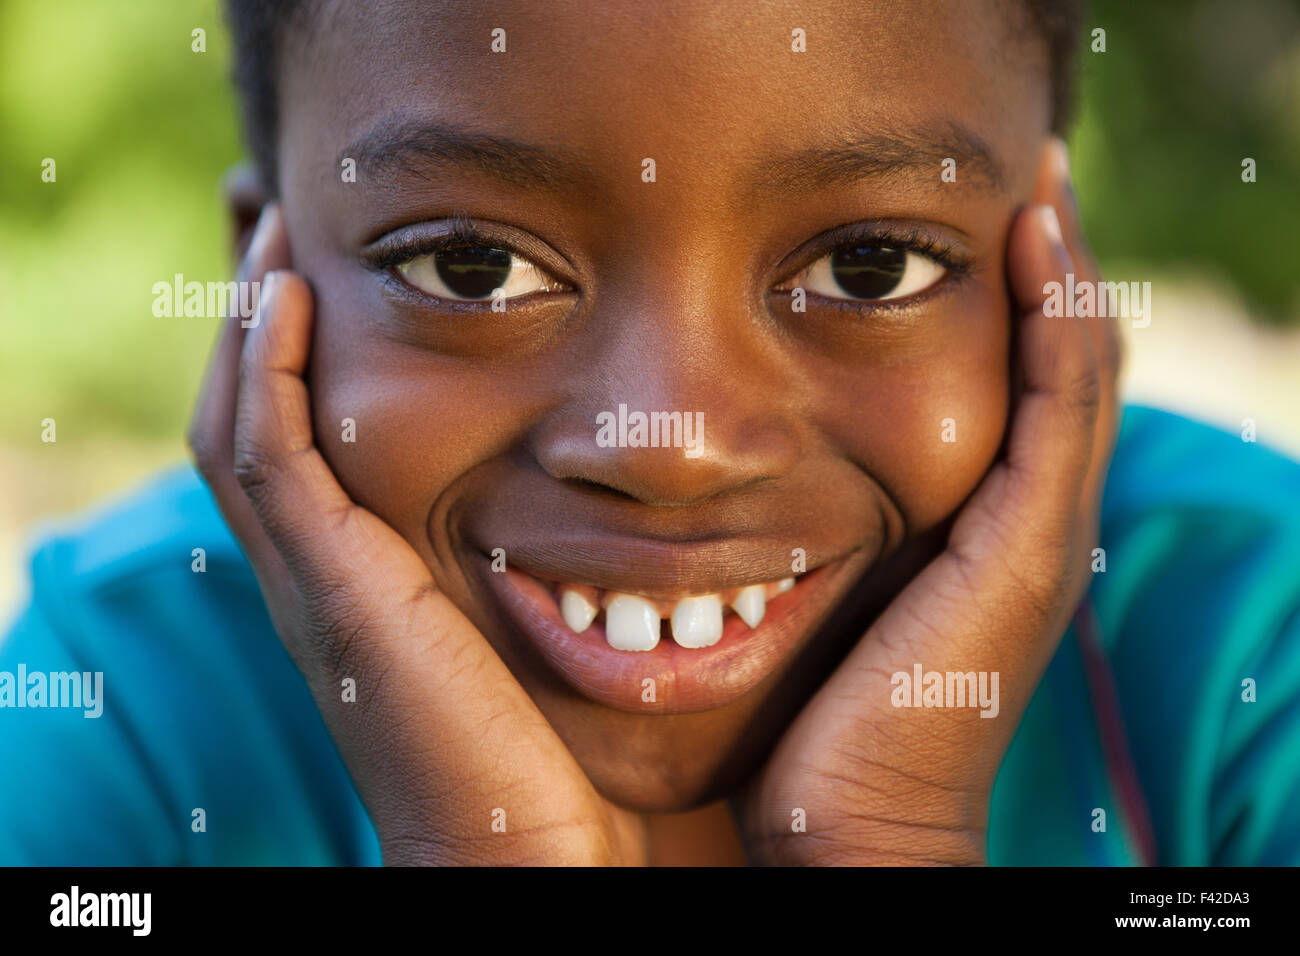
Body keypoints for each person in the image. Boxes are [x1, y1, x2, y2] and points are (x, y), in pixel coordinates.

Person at [2, 0, 1297, 865]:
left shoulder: (1248, 644)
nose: (671, 443)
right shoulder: (124, 703)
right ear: (262, 290)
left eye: (868, 267)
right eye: (468, 267)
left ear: (1047, 268)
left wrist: (888, 838)